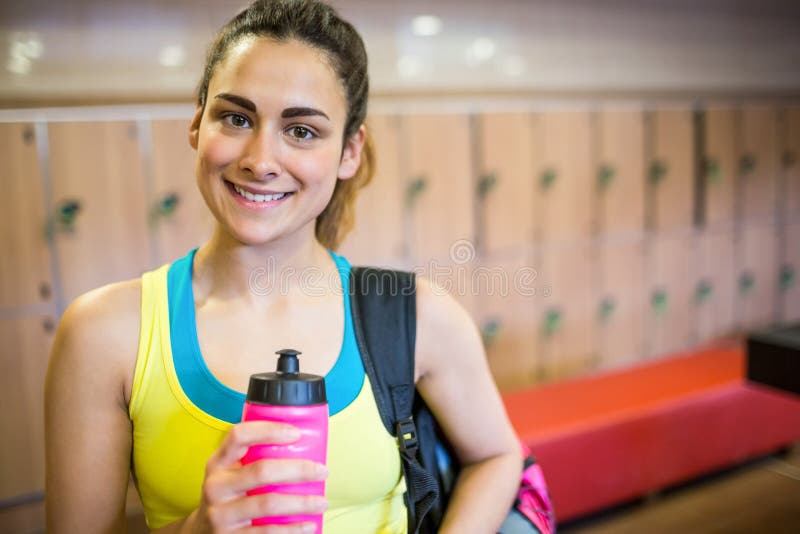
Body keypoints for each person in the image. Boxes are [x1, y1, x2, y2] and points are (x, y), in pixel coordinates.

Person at [44, 1, 522, 532]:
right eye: (236, 118)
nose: (260, 160)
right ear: (197, 123)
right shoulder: (105, 335)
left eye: (301, 131)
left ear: (350, 151)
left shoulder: (416, 317)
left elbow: (496, 456)